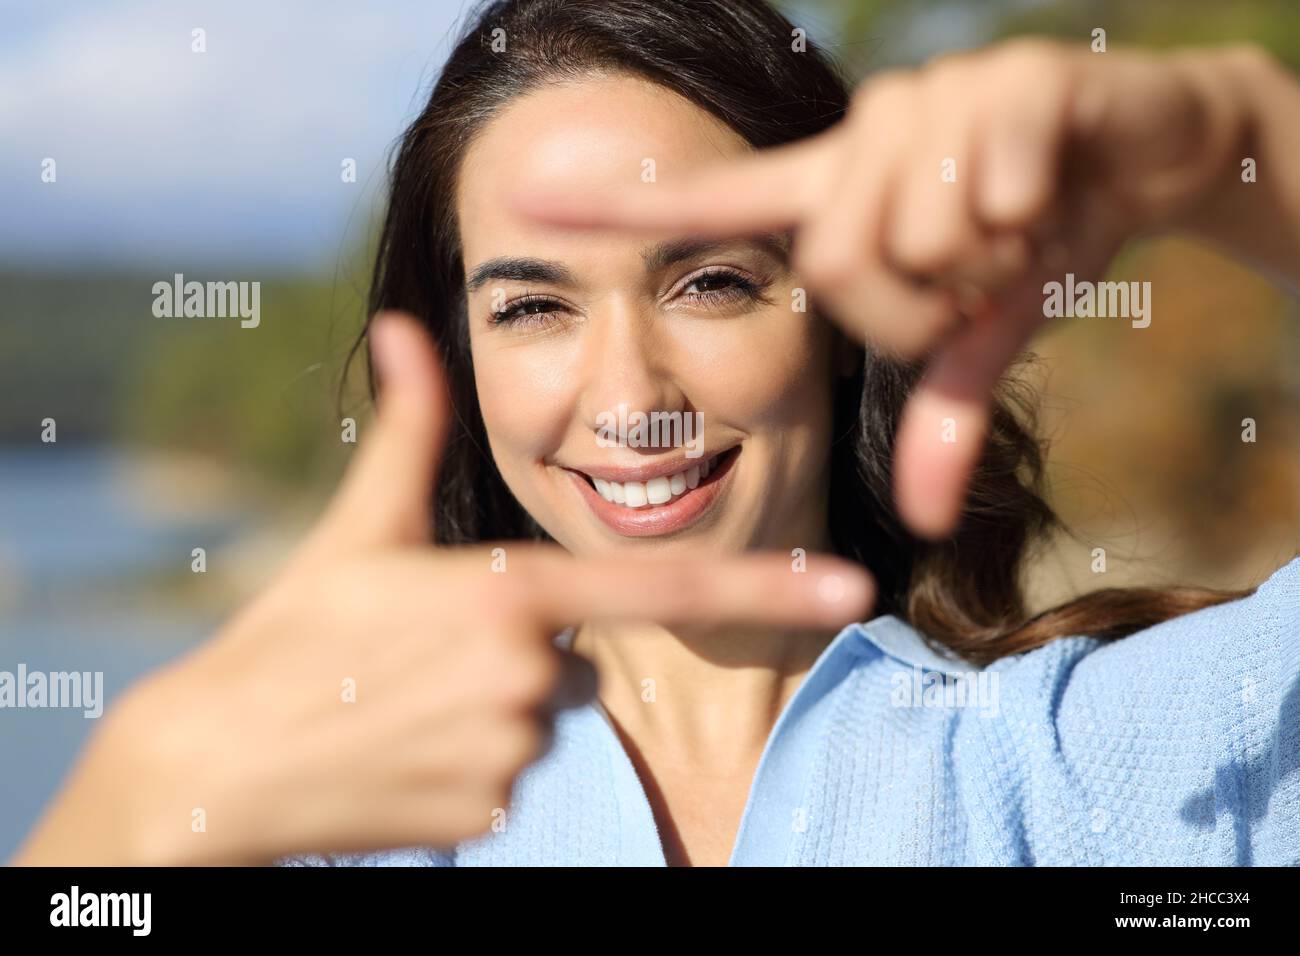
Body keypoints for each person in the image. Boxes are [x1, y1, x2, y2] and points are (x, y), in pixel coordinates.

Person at [13, 0, 1300, 866]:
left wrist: (1235, 143)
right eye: (531, 306)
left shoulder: (1109, 771)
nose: (630, 392)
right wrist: (127, 801)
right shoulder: (346, 830)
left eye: (713, 282)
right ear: (456, 366)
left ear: (840, 319)